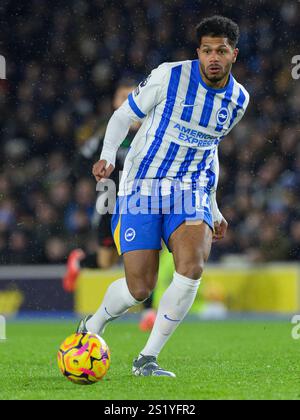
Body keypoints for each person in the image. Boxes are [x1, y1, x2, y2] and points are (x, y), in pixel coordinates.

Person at [77, 15, 250, 377]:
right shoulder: (169, 76)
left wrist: (213, 207)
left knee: (192, 268)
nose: (213, 57)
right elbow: (124, 115)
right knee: (140, 288)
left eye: (221, 51)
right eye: (207, 50)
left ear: (234, 53)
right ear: (198, 52)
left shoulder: (237, 100)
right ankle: (93, 325)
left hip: (190, 192)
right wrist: (108, 155)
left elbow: (210, 149)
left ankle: (147, 358)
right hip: (142, 185)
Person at [63, 81, 157, 330]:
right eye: (122, 96)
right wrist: (97, 175)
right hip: (110, 203)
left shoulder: (151, 128)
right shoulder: (108, 132)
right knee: (106, 261)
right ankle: (80, 262)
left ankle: (149, 312)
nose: (127, 100)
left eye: (131, 95)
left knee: (145, 253)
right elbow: (80, 160)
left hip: (140, 202)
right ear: (115, 103)